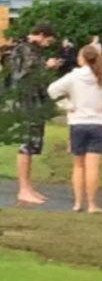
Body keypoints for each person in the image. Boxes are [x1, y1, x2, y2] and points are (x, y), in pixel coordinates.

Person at [47, 44, 102, 213]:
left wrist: (66, 105)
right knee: (93, 167)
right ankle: (92, 204)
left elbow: (52, 90)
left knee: (78, 166)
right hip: (97, 123)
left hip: (77, 122)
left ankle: (78, 203)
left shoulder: (73, 77)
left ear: (82, 58)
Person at [9, 23, 62, 205]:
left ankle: (28, 187)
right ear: (40, 34)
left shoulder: (33, 50)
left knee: (31, 145)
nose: (49, 44)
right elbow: (21, 78)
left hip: (34, 103)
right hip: (25, 104)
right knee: (25, 145)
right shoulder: (22, 49)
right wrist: (46, 67)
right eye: (48, 39)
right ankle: (23, 189)